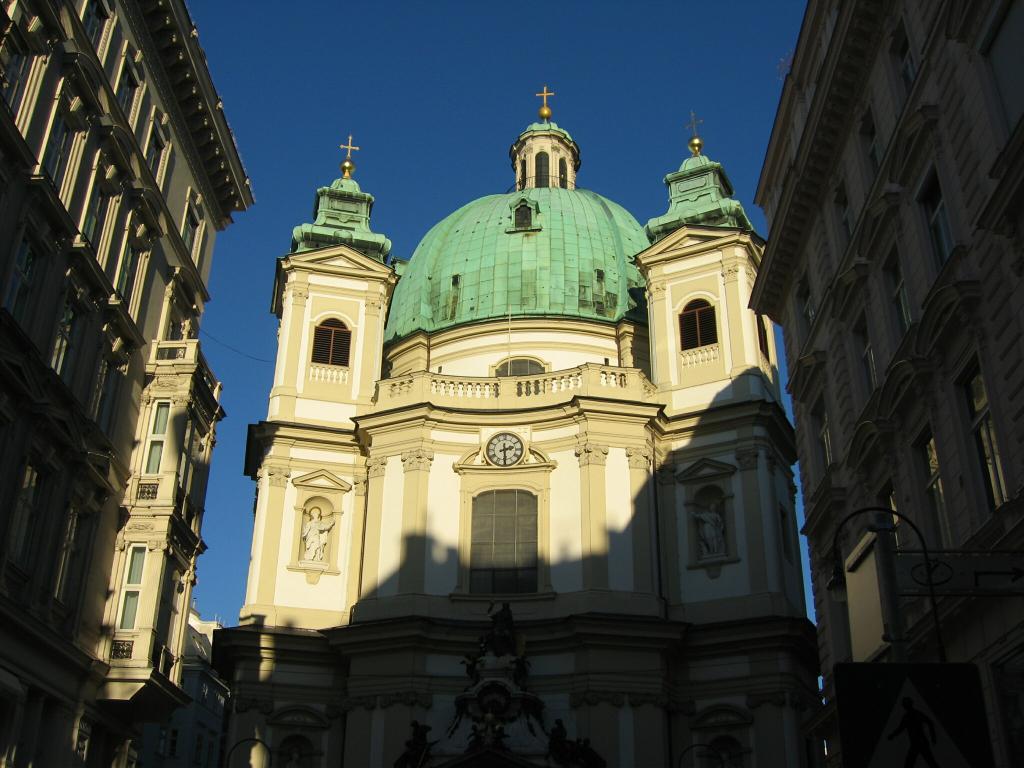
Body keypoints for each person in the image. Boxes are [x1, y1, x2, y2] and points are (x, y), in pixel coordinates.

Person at [887, 697, 940, 768]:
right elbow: (900, 728)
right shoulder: (908, 716)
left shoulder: (914, 715)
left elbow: (930, 722)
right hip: (916, 743)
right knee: (926, 762)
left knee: (929, 762)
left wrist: (933, 737)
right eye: (905, 704)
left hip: (920, 743)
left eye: (906, 704)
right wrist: (892, 735)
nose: (905, 706)